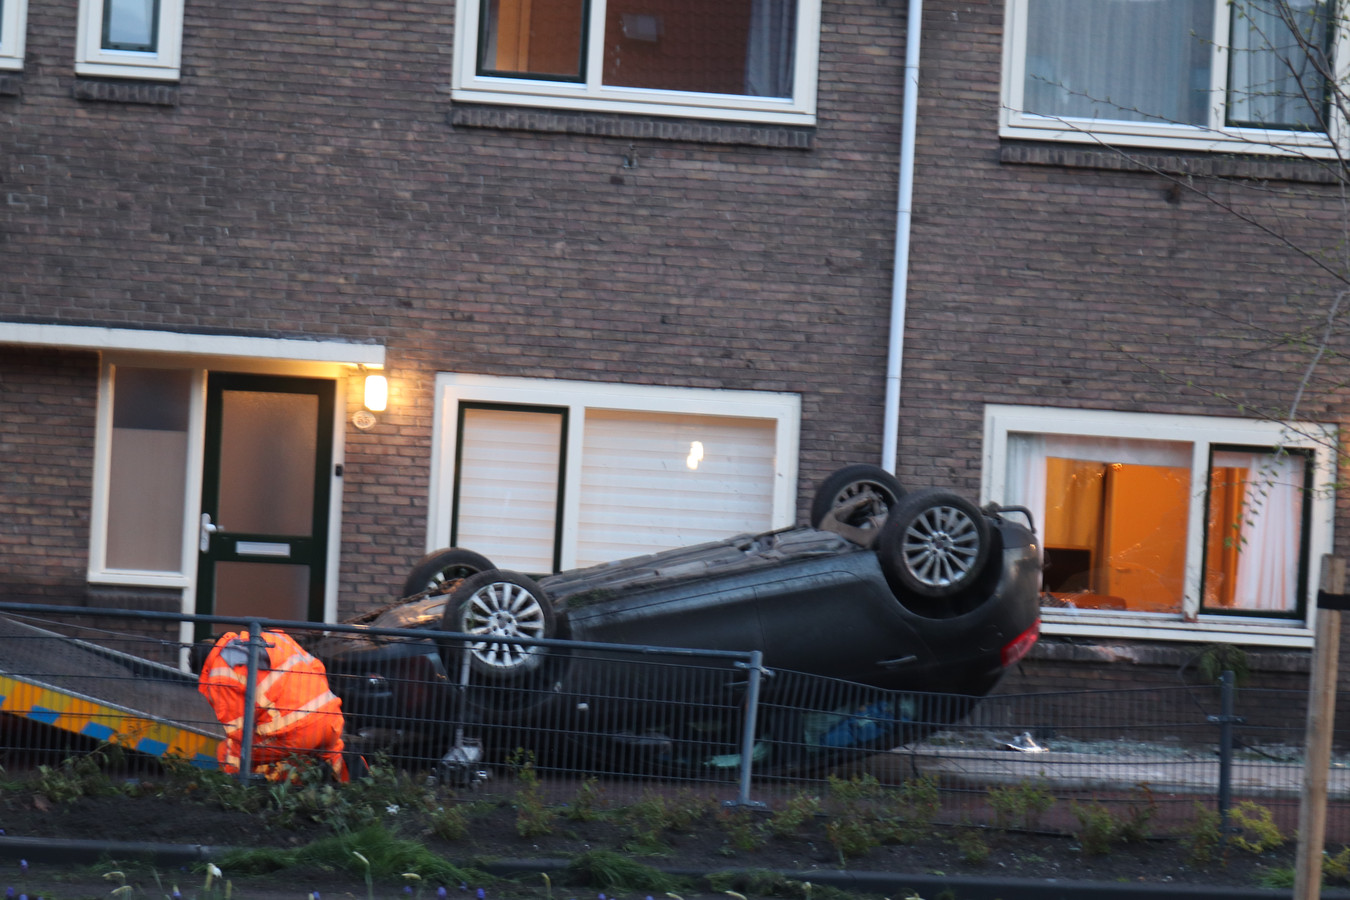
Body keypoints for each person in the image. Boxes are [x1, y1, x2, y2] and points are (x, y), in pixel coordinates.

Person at [197, 629, 349, 782]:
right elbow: (317, 667)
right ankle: (355, 790)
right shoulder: (274, 637)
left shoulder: (219, 672)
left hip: (295, 731)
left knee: (230, 750)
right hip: (330, 716)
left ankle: (239, 794)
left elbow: (239, 731)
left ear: (204, 669)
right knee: (333, 753)